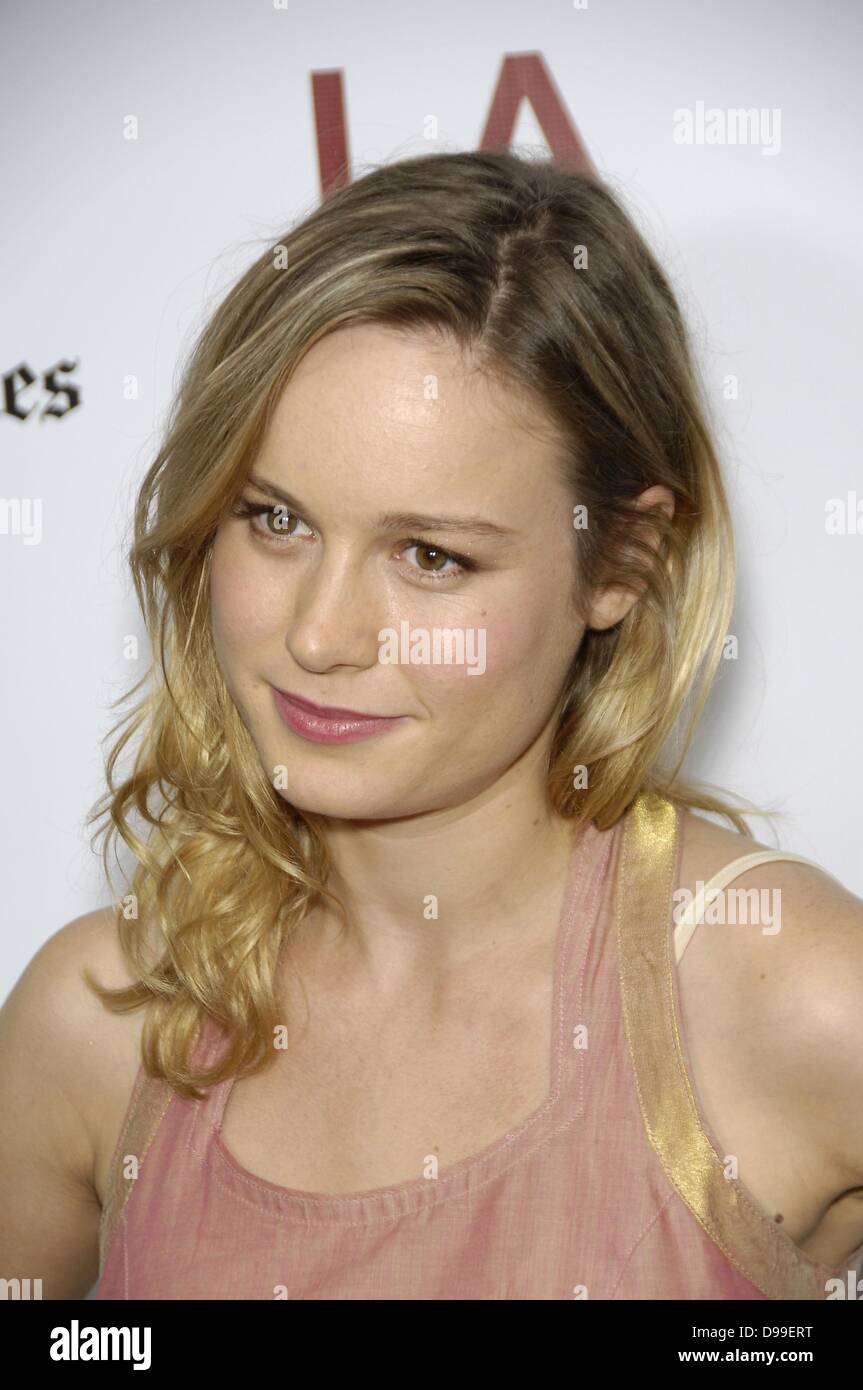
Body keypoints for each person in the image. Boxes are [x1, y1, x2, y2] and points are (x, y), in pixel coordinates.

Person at [1, 150, 861, 1301]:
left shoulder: (788, 995)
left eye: (430, 556)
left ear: (619, 561)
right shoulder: (99, 1019)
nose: (320, 634)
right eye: (275, 519)